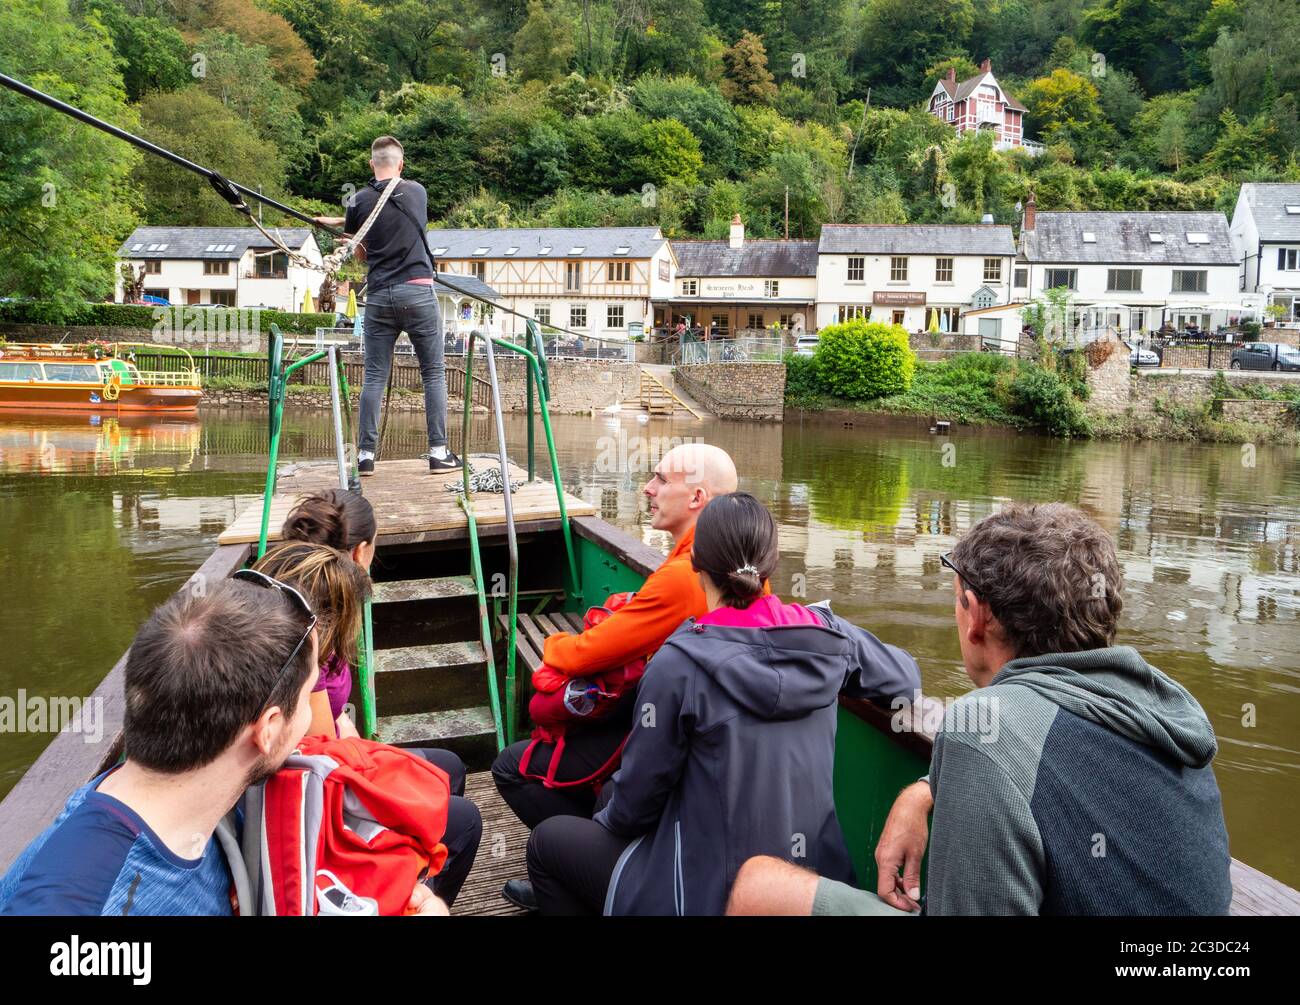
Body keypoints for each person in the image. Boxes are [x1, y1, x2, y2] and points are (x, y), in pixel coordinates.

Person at [727, 503, 1233, 917]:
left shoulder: (983, 727)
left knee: (759, 886)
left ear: (979, 617)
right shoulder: (1162, 704)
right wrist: (925, 789)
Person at [522, 492, 921, 915]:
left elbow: (635, 805)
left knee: (548, 842)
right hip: (811, 885)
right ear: (771, 562)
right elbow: (906, 677)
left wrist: (605, 816)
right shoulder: (828, 637)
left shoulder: (680, 662)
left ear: (696, 562)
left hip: (704, 892)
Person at [0, 577, 446, 916]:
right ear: (268, 728)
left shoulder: (189, 806)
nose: (313, 717)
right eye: (309, 694)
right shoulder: (95, 907)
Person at [491, 443, 740, 845]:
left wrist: (555, 643)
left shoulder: (684, 574)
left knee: (510, 765)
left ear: (697, 497)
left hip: (667, 737)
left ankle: (586, 857)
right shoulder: (735, 564)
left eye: (660, 479)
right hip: (692, 734)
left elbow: (585, 653)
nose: (647, 488)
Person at [253, 540, 482, 908]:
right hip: (309, 816)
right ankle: (415, 895)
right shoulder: (294, 679)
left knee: (446, 773)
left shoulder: (262, 661)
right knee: (462, 818)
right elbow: (320, 765)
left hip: (309, 794)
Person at [315, 135, 459, 476]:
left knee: (375, 376)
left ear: (371, 164)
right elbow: (400, 223)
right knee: (433, 373)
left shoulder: (357, 202)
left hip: (379, 295)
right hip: (417, 291)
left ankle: (365, 456)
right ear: (401, 164)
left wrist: (343, 228)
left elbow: (362, 252)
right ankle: (439, 452)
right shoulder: (418, 192)